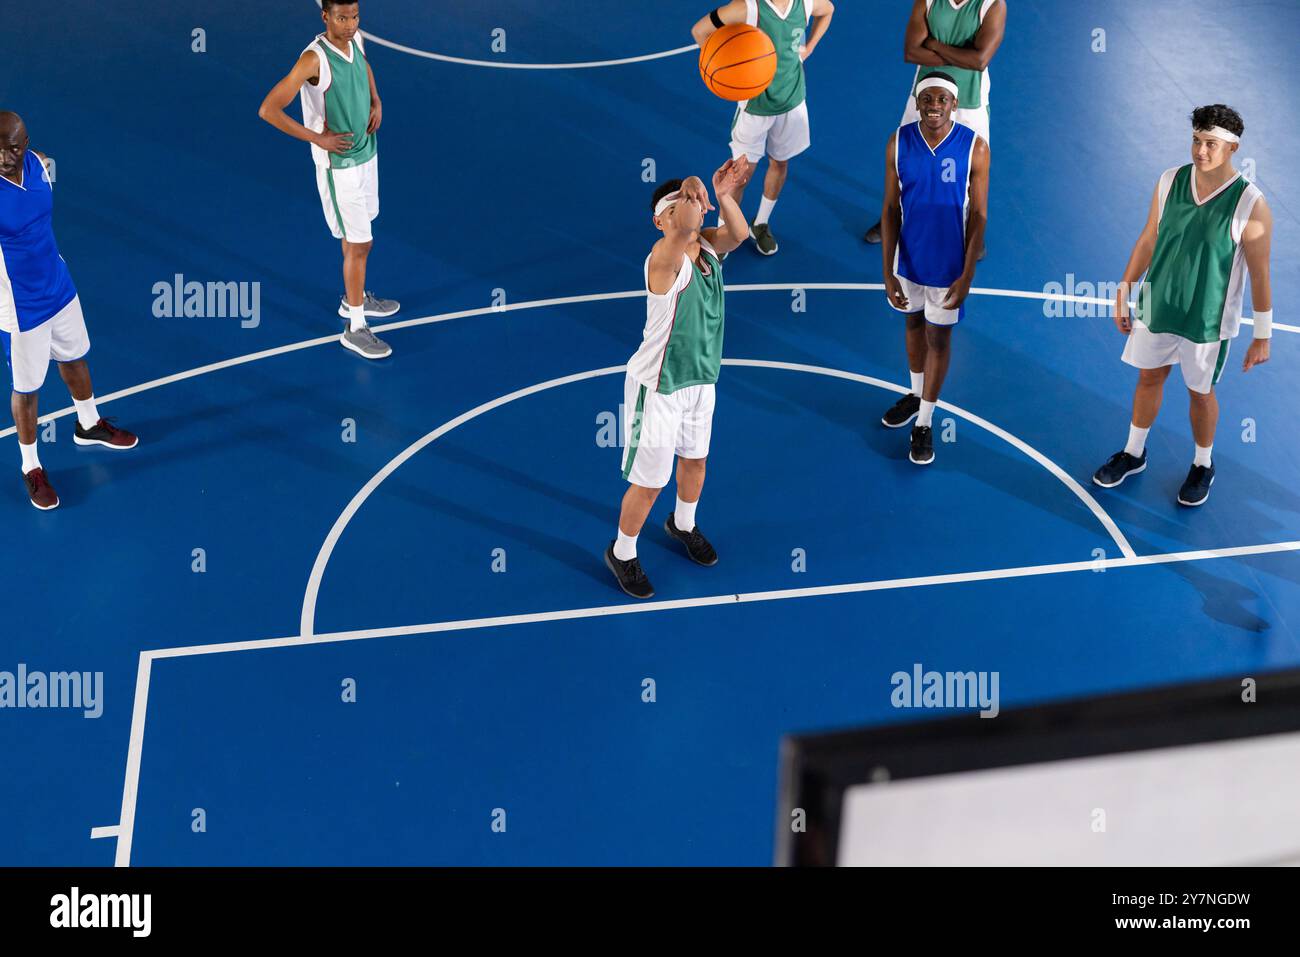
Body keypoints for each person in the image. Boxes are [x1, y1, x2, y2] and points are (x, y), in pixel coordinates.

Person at [1091, 105, 1272, 508]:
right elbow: (1149, 239)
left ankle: (1203, 464)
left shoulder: (1250, 203)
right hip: (1159, 306)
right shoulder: (1170, 180)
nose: (1201, 150)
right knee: (1149, 379)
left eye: (1211, 143)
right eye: (1196, 140)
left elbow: (1260, 275)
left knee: (1200, 393)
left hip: (1207, 320)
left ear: (1233, 147)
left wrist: (1262, 335)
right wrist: (1125, 288)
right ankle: (1134, 453)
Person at [605, 158, 750, 599]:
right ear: (660, 219)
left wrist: (722, 195)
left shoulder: (707, 248)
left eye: (694, 204)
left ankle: (682, 524)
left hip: (700, 381)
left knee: (695, 462)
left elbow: (739, 234)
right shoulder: (663, 260)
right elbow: (684, 229)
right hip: (660, 386)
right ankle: (622, 551)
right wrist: (691, 184)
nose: (692, 208)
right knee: (650, 482)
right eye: (681, 205)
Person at [0, 112, 138, 511]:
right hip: (19, 307)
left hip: (59, 287)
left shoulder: (39, 164)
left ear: (26, 143)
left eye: (15, 146)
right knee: (27, 390)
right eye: (0, 148)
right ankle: (31, 466)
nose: (8, 155)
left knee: (75, 358)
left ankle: (89, 424)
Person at [258, 0, 399, 360]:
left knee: (359, 236)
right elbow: (269, 109)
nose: (350, 24)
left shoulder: (356, 38)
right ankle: (354, 327)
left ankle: (354, 297)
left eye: (354, 16)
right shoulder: (313, 60)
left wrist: (377, 100)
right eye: (342, 17)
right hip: (340, 166)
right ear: (325, 16)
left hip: (367, 153)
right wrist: (317, 138)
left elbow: (364, 66)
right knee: (361, 243)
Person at [878, 75, 989, 465]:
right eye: (926, 98)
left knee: (937, 339)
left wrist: (968, 274)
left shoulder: (974, 147)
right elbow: (890, 209)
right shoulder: (898, 142)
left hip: (948, 263)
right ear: (917, 102)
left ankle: (924, 422)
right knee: (911, 325)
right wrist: (887, 271)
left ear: (954, 105)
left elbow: (978, 215)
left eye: (942, 98)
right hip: (908, 258)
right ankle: (914, 392)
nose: (934, 104)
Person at [691, 0, 835, 257]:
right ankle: (724, 237)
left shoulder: (807, 3)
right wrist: (723, 68)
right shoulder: (748, 8)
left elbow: (828, 11)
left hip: (792, 102)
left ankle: (761, 224)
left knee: (780, 163)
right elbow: (700, 31)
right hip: (754, 109)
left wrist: (809, 48)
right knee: (739, 176)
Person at [865, 0, 1004, 247]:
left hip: (970, 101)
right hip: (926, 94)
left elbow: (980, 60)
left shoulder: (992, 4)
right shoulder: (928, 1)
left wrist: (934, 44)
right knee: (906, 159)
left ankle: (972, 231)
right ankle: (894, 218)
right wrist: (962, 54)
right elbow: (911, 52)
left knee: (972, 168)